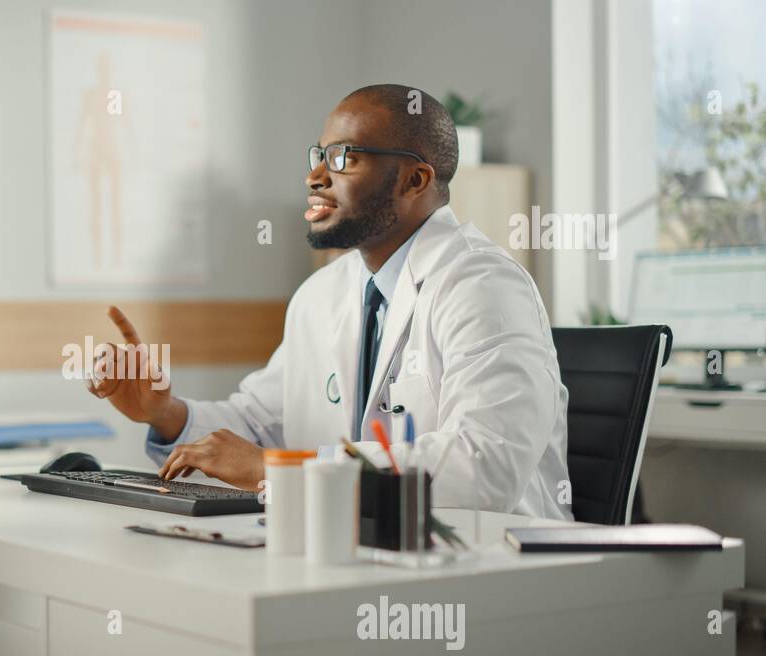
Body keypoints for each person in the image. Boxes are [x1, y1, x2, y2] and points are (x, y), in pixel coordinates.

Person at [88, 85, 572, 520]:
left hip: (494, 567)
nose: (315, 176)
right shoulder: (322, 294)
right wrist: (166, 412)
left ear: (415, 180)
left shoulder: (483, 286)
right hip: (358, 548)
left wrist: (280, 470)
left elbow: (484, 468)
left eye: (343, 157)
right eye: (319, 155)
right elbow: (262, 426)